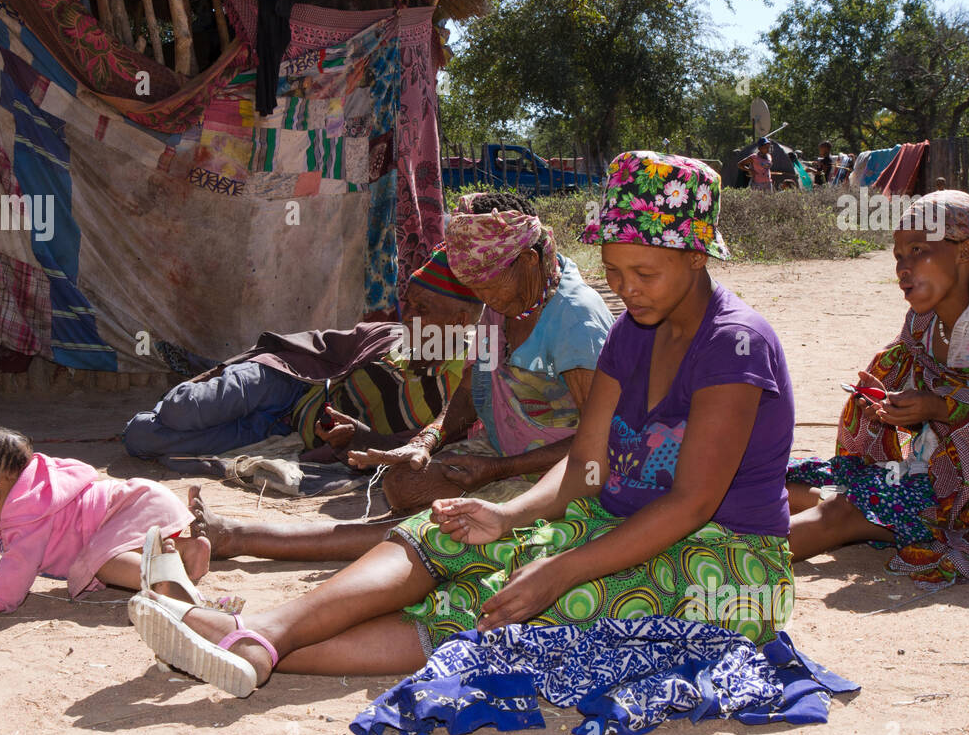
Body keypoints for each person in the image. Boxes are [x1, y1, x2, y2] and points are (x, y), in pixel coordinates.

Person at [124, 151, 797, 697]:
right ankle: (265, 633)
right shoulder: (631, 334)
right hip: (616, 523)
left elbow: (692, 503)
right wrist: (509, 518)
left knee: (515, 605)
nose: (630, 289)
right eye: (617, 272)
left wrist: (560, 568)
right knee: (442, 532)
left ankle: (255, 644)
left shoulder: (735, 346)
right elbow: (588, 462)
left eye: (645, 272)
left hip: (722, 560)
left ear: (697, 257)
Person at [187, 191, 616, 563]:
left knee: (434, 527)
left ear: (526, 261)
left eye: (485, 287)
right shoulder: (507, 302)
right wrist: (425, 441)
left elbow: (603, 443)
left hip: (562, 472)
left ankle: (241, 537)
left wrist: (498, 469)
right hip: (501, 454)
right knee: (404, 484)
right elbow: (470, 389)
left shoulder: (576, 322)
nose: (482, 298)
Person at [786, 191, 969, 586]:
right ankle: (866, 512)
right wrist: (886, 404)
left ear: (965, 251)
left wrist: (938, 407)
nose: (904, 267)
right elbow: (915, 393)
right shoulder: (923, 323)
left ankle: (729, 559)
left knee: (841, 511)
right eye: (899, 255)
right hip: (928, 472)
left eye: (918, 250)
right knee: (790, 483)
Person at [122, 250, 482, 466]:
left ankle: (199, 406)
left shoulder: (464, 382)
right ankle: (206, 388)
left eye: (423, 308)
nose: (410, 315)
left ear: (460, 321)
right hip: (287, 384)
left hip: (287, 429)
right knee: (180, 410)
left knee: (140, 436)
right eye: (411, 304)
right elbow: (317, 347)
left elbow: (421, 444)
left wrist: (360, 438)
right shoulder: (393, 338)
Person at [0, 427, 210, 619]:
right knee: (113, 553)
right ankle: (186, 550)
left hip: (131, 509)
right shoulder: (3, 517)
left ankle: (166, 583)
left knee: (105, 565)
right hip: (138, 509)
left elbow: (19, 565)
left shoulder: (27, 515)